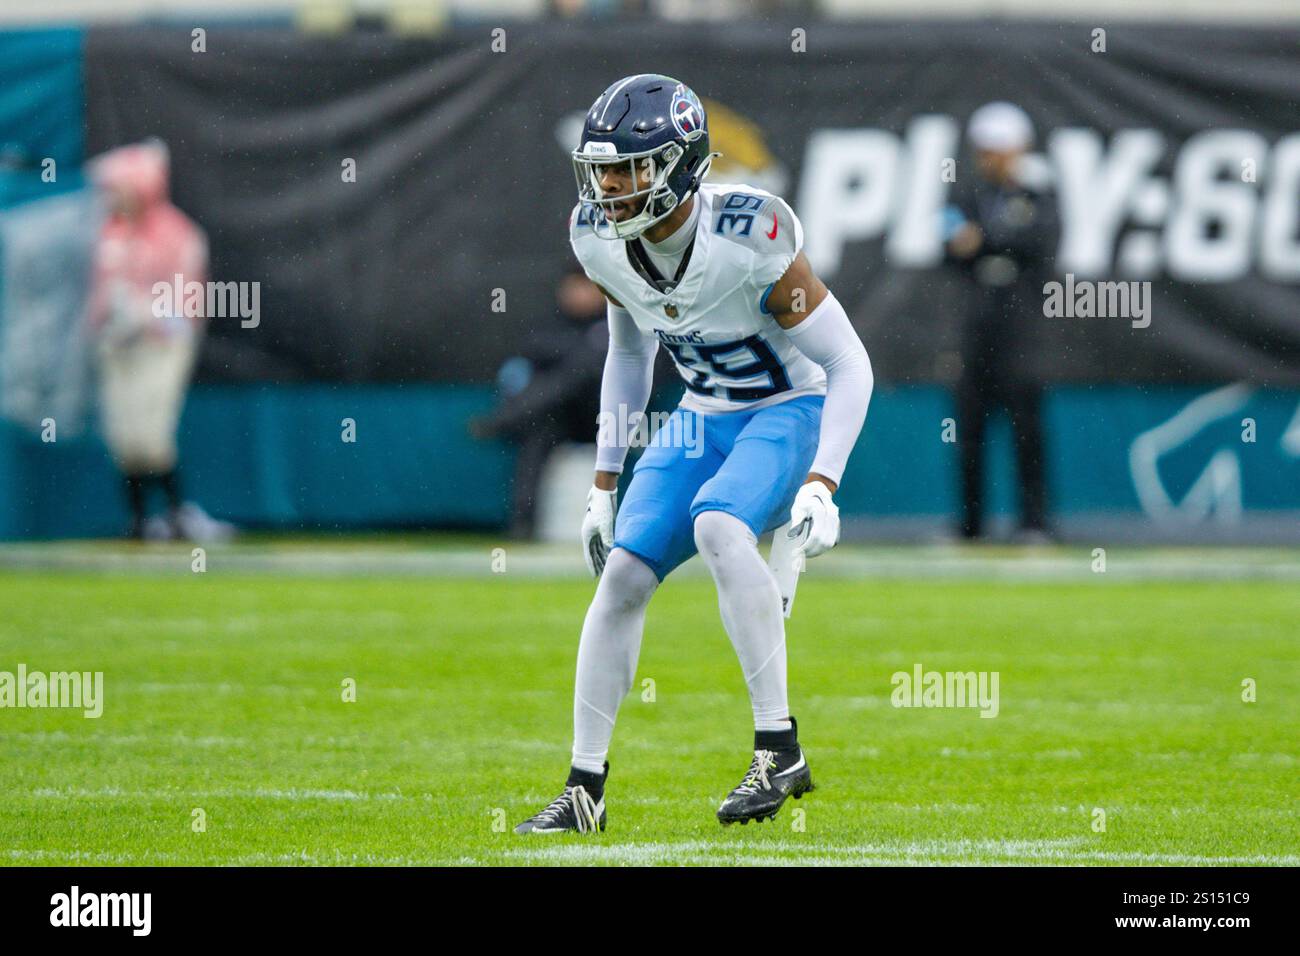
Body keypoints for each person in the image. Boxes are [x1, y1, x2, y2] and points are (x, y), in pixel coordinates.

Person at [515, 75, 873, 833]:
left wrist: (822, 483)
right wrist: (604, 483)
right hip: (701, 414)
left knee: (717, 524)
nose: (609, 186)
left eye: (629, 168)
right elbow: (627, 352)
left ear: (680, 165)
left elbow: (850, 366)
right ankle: (585, 789)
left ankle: (779, 749)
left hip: (789, 408)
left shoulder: (749, 236)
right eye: (601, 169)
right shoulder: (598, 237)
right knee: (621, 574)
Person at [87, 141, 232, 542]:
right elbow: (95, 294)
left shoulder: (177, 234)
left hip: (160, 347)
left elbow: (186, 303)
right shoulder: (106, 235)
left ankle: (177, 515)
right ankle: (137, 522)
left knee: (151, 436)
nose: (113, 196)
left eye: (120, 186)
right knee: (123, 436)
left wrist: (143, 312)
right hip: (117, 348)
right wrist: (104, 320)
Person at [945, 102, 1058, 542]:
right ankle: (971, 525)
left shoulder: (1037, 195)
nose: (989, 158)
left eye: (998, 149)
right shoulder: (967, 195)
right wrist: (993, 248)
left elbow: (1039, 243)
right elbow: (948, 243)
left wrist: (985, 242)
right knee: (968, 426)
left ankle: (1035, 522)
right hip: (976, 325)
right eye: (985, 150)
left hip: (1021, 327)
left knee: (1026, 425)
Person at [470, 270, 610, 539]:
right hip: (558, 417)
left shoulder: (616, 323)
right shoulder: (549, 325)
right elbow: (531, 355)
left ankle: (506, 419)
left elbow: (588, 369)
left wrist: (574, 357)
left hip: (606, 419)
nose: (580, 294)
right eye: (575, 287)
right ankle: (523, 523)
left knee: (572, 375)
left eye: (587, 287)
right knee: (539, 429)